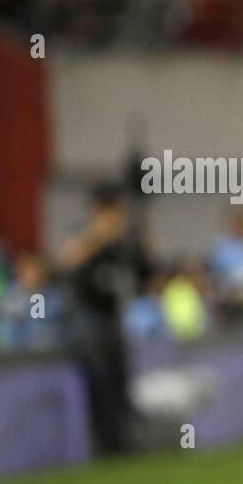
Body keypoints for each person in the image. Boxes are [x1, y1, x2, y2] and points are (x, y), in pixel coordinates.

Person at [58, 184, 152, 454]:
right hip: (89, 319)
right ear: (98, 211)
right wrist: (96, 237)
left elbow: (146, 271)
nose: (115, 218)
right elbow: (65, 263)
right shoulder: (83, 237)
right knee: (100, 383)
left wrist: (135, 237)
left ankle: (125, 444)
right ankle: (104, 447)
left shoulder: (122, 243)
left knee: (120, 380)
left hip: (114, 318)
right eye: (110, 212)